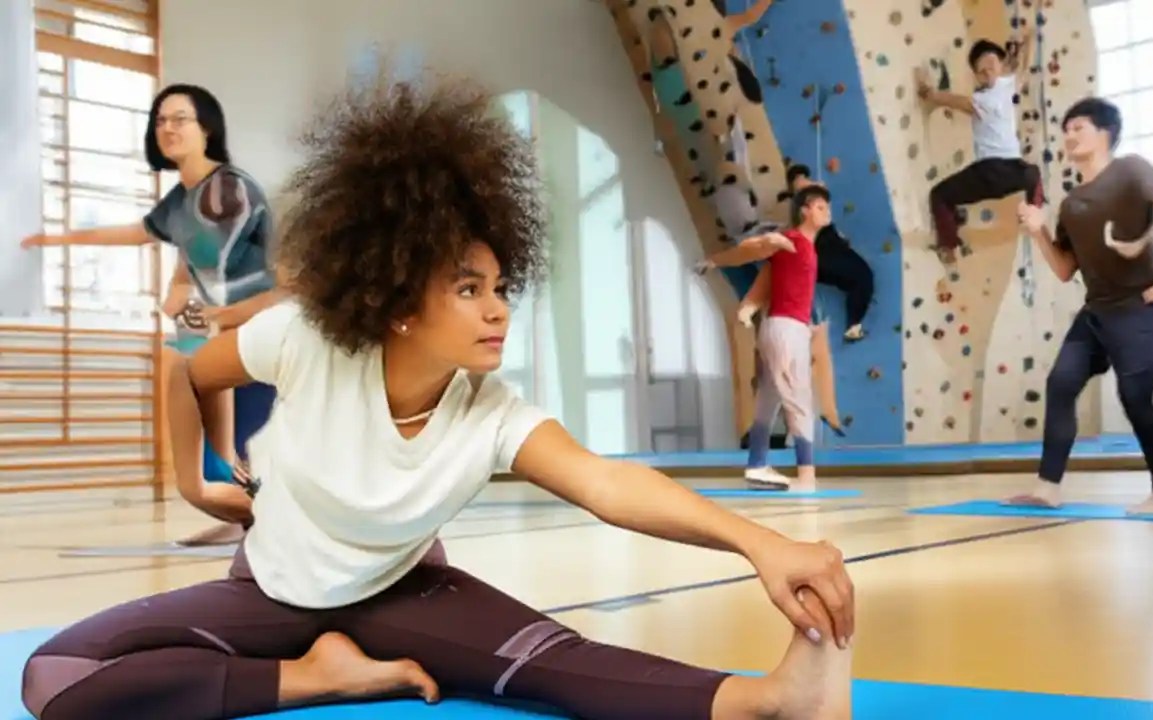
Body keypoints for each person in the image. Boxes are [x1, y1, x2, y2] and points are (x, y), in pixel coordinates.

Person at [21, 75, 854, 720]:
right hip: (268, 593)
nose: (498, 307)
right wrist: (201, 480)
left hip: (406, 594)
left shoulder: (487, 412)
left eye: (500, 285)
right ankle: (308, 678)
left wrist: (761, 545)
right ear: (398, 297)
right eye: (467, 288)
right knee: (53, 677)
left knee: (556, 662)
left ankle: (763, 701)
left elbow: (609, 484)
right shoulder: (306, 338)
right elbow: (190, 372)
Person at [22, 83, 286, 545]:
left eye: (179, 118)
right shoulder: (181, 198)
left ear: (207, 129)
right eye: (161, 120)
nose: (167, 128)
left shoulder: (227, 188)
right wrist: (59, 240)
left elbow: (211, 263)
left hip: (253, 327)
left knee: (229, 445)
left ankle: (267, 519)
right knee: (218, 454)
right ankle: (246, 518)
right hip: (217, 328)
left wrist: (181, 290)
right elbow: (137, 233)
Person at [1004, 97, 1153, 516]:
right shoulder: (1072, 205)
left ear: (1104, 132)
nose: (1069, 135)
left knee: (1134, 397)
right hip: (1097, 313)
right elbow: (1064, 269)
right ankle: (1047, 488)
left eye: (1079, 128)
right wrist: (1038, 233)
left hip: (1143, 309)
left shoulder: (1131, 170)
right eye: (1066, 129)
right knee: (1060, 384)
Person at [697, 186, 830, 491]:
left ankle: (757, 465)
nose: (827, 212)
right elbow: (755, 247)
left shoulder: (802, 249)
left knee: (768, 399)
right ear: (805, 211)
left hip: (781, 328)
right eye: (821, 207)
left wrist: (747, 307)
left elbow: (766, 281)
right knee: (798, 399)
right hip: (786, 329)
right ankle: (806, 475)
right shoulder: (792, 240)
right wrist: (717, 260)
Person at [915, 34, 1041, 263]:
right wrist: (931, 94)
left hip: (1004, 169)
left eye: (991, 66)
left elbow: (1024, 63)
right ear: (976, 75)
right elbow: (955, 101)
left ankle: (950, 240)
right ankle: (950, 242)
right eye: (981, 71)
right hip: (993, 172)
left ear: (1000, 65)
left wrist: (1024, 41)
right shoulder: (985, 97)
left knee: (1032, 173)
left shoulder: (1007, 84)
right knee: (940, 195)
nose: (987, 73)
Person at [739, 164, 874, 343]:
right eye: (801, 179)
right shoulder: (804, 201)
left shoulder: (801, 206)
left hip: (820, 251)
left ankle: (853, 322)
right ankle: (853, 323)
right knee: (861, 275)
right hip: (822, 249)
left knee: (853, 276)